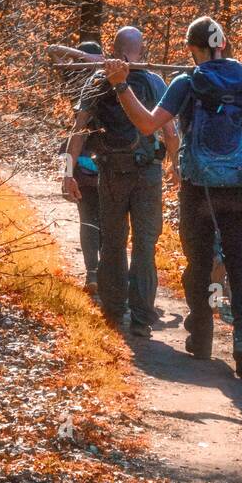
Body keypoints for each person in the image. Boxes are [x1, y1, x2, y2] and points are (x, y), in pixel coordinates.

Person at [103, 17, 242, 378]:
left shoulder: (186, 83)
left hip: (199, 189)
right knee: (241, 266)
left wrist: (120, 86)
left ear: (193, 49)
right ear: (223, 45)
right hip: (241, 189)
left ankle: (203, 331)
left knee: (198, 263)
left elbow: (148, 125)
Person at [61, 26, 178, 337]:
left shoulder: (97, 80)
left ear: (113, 48)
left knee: (112, 242)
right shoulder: (155, 81)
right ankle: (141, 318)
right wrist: (175, 165)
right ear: (141, 49)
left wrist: (67, 173)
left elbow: (78, 130)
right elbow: (170, 133)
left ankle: (114, 311)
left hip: (110, 172)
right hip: (148, 175)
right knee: (144, 244)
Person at [55, 40, 104, 292]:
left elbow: (55, 51)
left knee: (89, 219)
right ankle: (104, 273)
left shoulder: (78, 84)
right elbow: (54, 51)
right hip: (99, 163)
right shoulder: (108, 82)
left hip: (85, 163)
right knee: (105, 220)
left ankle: (94, 274)